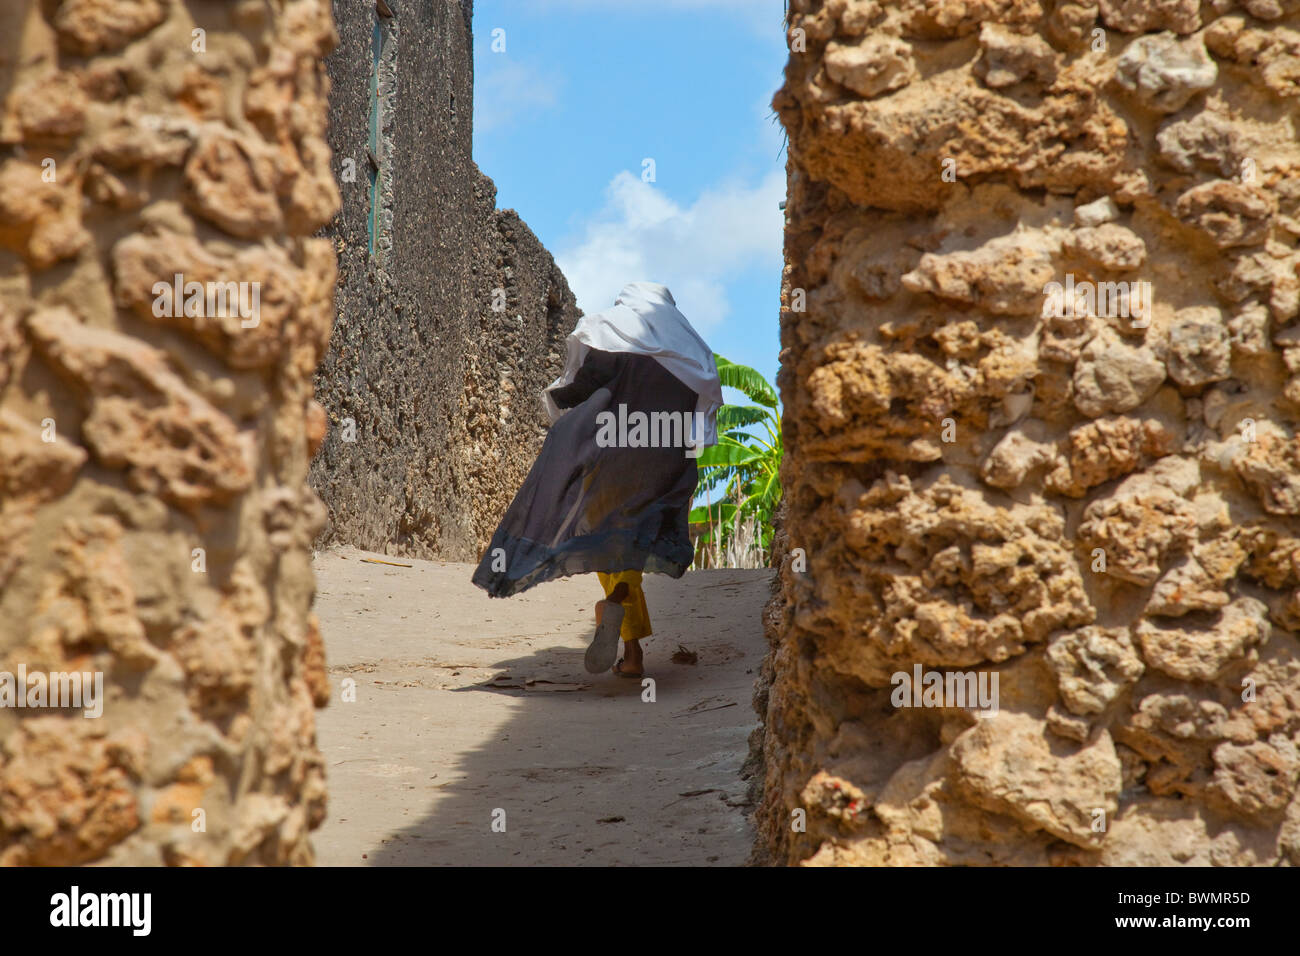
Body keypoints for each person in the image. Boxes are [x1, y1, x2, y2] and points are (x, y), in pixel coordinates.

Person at [471, 282, 723, 678]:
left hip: (609, 458)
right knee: (633, 542)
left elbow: (585, 387)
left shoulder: (613, 331)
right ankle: (632, 651)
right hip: (660, 460)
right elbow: (703, 405)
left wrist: (559, 399)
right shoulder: (688, 347)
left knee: (608, 539)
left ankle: (623, 619)